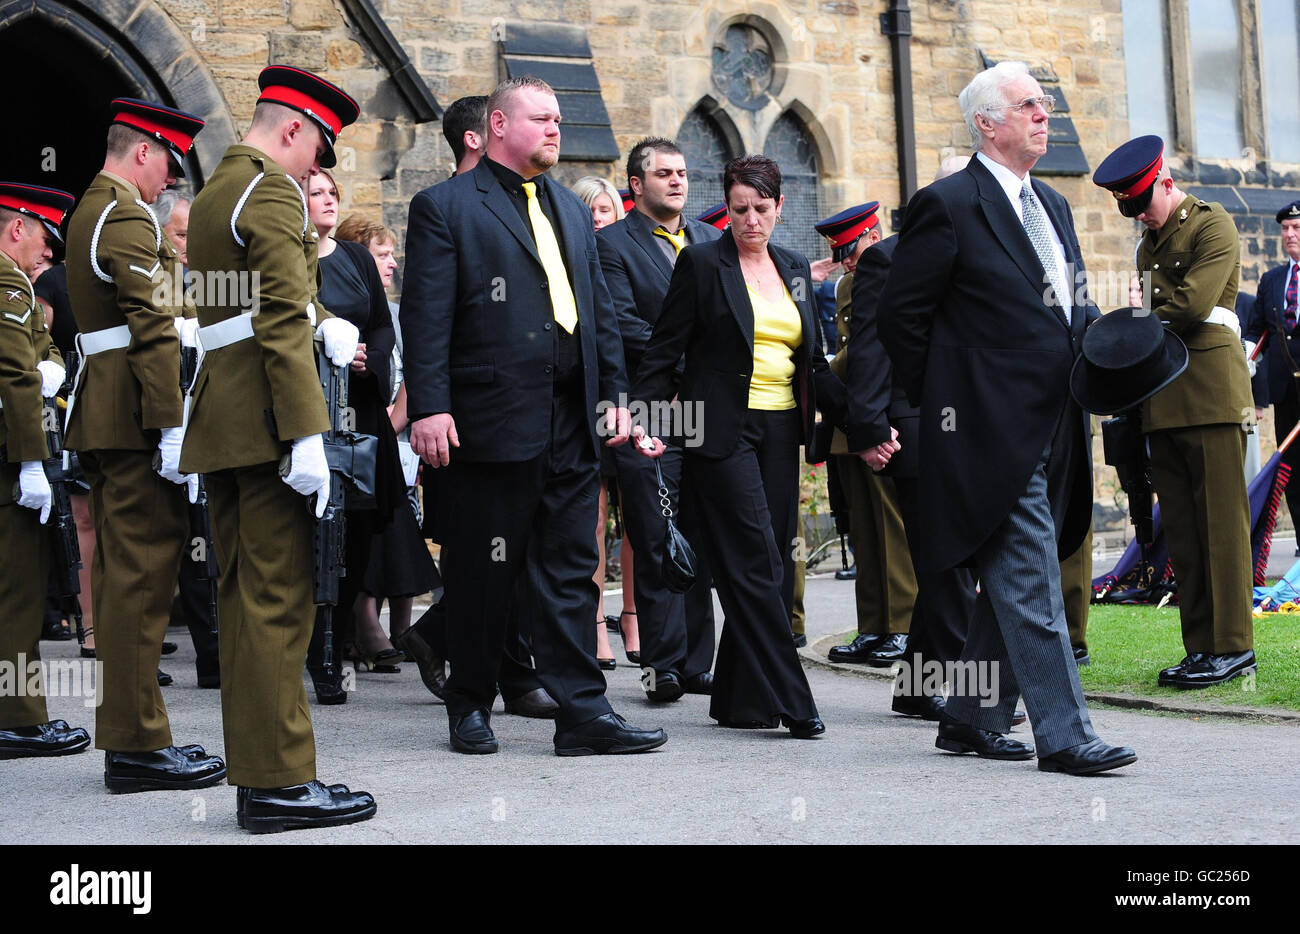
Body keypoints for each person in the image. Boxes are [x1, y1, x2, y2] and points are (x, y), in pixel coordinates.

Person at [878, 61, 1134, 775]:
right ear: (987, 122)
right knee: (1031, 579)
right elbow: (901, 319)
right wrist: (949, 402)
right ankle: (1065, 733)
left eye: (1045, 106)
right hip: (985, 430)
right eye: (1028, 106)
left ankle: (968, 716)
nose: (1043, 116)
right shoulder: (948, 204)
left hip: (1057, 421)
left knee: (1021, 573)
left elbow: (1070, 306)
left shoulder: (1051, 206)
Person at [401, 76, 667, 756]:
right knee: (485, 570)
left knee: (572, 567)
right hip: (490, 420)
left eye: (557, 118)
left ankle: (583, 713)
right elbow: (426, 317)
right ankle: (469, 706)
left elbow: (600, 315)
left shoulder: (573, 211)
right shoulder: (445, 208)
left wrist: (615, 402)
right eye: (541, 118)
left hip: (573, 421)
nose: (555, 129)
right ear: (496, 125)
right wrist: (429, 406)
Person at [181, 64, 376, 832]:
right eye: (317, 152)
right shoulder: (266, 188)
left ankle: (260, 772)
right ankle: (280, 783)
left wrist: (321, 312)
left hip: (224, 417)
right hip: (267, 419)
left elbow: (272, 300)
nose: (314, 171)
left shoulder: (214, 190)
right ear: (292, 127)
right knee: (277, 604)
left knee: (244, 601)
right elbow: (279, 322)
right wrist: (306, 435)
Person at [632, 154, 846, 736]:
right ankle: (794, 698)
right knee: (754, 563)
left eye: (761, 209)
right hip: (719, 432)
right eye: (738, 210)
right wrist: (647, 422)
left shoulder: (795, 266)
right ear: (727, 210)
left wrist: (870, 426)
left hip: (781, 432)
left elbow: (815, 364)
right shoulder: (703, 264)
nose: (749, 221)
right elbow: (662, 352)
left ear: (779, 208)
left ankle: (738, 698)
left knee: (773, 565)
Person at [62, 98, 226, 792]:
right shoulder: (126, 213)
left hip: (112, 409)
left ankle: (136, 735)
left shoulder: (96, 208)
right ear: (141, 153)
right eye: (165, 165)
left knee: (129, 575)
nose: (167, 183)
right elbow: (154, 326)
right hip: (133, 417)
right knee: (139, 579)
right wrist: (170, 426)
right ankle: (134, 746)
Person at [1094, 136, 1256, 689]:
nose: (1141, 218)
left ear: (1164, 180)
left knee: (1222, 529)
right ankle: (1200, 647)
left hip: (1210, 395)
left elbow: (1189, 306)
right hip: (1165, 398)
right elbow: (1157, 314)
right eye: (1131, 210)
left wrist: (1133, 326)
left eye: (1144, 204)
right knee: (1184, 534)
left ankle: (1233, 647)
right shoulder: (1148, 244)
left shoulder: (1214, 225)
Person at [596, 136, 721, 701]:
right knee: (654, 532)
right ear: (636, 185)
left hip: (709, 409)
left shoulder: (712, 240)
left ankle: (699, 662)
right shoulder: (611, 245)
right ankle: (663, 664)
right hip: (649, 407)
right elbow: (625, 326)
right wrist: (693, 360)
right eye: (664, 173)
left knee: (699, 529)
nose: (677, 181)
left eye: (683, 172)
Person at [302, 168, 412, 701]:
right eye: (314, 192)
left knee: (360, 529)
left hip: (360, 415)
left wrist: (367, 358)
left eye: (332, 193)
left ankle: (339, 634)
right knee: (309, 531)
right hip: (309, 413)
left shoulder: (354, 260)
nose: (326, 201)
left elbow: (382, 325)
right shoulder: (290, 259)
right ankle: (314, 648)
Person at [0, 181, 92, 760]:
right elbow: (17, 376)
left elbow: (49, 355)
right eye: (43, 239)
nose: (49, 256)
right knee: (16, 594)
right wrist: (32, 461)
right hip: (9, 461)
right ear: (16, 229)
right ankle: (18, 718)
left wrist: (46, 367)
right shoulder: (8, 283)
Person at [817, 202, 915, 667]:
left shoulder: (893, 271)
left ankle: (903, 625)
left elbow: (870, 351)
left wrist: (816, 373)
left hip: (880, 414)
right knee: (864, 530)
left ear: (872, 237)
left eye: (850, 249)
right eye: (839, 253)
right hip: (851, 419)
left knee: (891, 527)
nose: (846, 261)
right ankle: (873, 625)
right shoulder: (845, 285)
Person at [573, 173, 635, 668]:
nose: (598, 219)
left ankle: (633, 618)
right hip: (585, 399)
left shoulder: (629, 256)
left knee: (636, 517)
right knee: (592, 519)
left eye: (605, 211)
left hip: (635, 393)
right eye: (588, 211)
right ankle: (596, 625)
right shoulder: (569, 260)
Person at [1245, 200, 1300, 540]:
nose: (1289, 234)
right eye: (1285, 229)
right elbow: (1255, 331)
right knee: (1291, 471)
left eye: (1296, 228)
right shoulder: (1272, 279)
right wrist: (1244, 355)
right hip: (1286, 393)